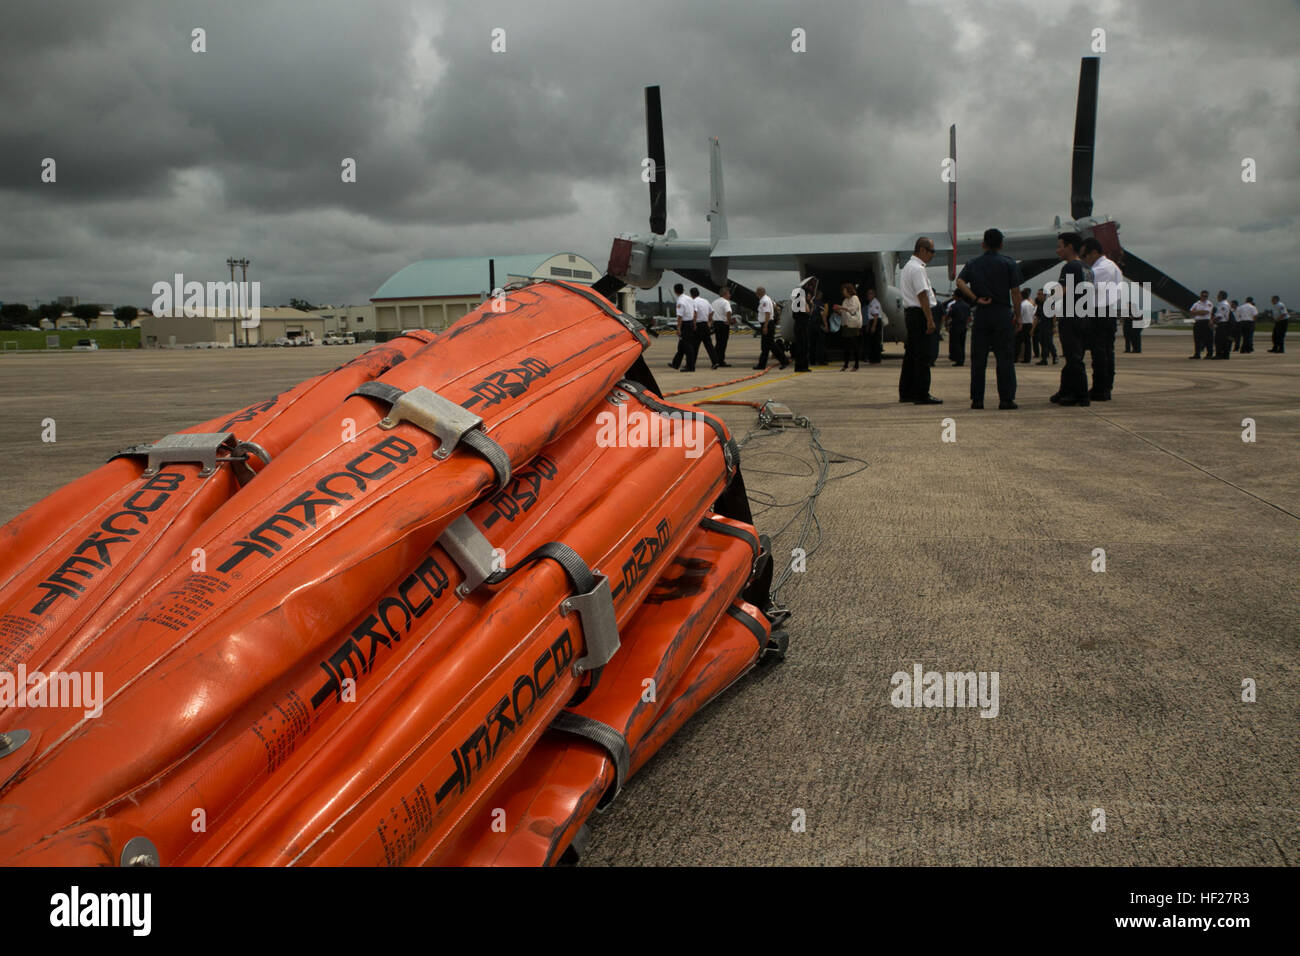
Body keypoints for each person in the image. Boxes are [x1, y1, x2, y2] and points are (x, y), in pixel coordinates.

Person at [955, 227, 1022, 409]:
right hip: (1002, 313)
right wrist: (1018, 316)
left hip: (982, 313)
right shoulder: (1009, 263)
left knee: (978, 359)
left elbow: (959, 282)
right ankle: (1006, 399)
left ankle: (977, 399)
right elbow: (1015, 292)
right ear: (1001, 244)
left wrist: (975, 298)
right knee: (1005, 359)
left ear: (983, 244)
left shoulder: (973, 263)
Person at [1049, 231, 1092, 406]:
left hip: (1071, 315)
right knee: (1073, 355)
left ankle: (1080, 395)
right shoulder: (1087, 268)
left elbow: (1062, 290)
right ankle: (1065, 390)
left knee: (1073, 357)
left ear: (1070, 247)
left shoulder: (1070, 267)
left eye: (1060, 246)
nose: (1057, 250)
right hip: (1084, 315)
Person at [898, 237, 941, 404]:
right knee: (923, 356)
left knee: (911, 355)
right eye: (931, 251)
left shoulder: (908, 267)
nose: (932, 255)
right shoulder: (917, 269)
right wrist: (930, 320)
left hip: (911, 313)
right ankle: (922, 393)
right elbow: (922, 295)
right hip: (919, 314)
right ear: (922, 250)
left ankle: (906, 392)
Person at [1081, 237, 1120, 400]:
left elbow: (1086, 288)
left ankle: (1101, 388)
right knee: (1105, 351)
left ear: (1094, 253)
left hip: (1100, 312)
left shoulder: (1102, 268)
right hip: (1106, 312)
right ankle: (1104, 386)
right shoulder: (1111, 266)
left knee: (1099, 353)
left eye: (1085, 256)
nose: (1084, 260)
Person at [753, 286, 789, 370]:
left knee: (771, 345)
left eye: (757, 292)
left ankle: (784, 361)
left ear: (759, 293)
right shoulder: (768, 299)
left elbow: (767, 314)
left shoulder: (764, 300)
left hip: (767, 324)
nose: (756, 294)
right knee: (765, 346)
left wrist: (765, 326)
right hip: (769, 323)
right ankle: (761, 364)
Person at [832, 283, 863, 370]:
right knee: (846, 345)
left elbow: (852, 310)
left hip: (853, 324)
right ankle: (846, 364)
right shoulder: (845, 300)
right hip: (846, 324)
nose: (843, 292)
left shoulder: (855, 298)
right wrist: (838, 310)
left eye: (844, 290)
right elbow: (843, 313)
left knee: (854, 344)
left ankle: (856, 364)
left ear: (848, 290)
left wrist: (841, 307)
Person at [790, 277, 816, 372]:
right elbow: (808, 312)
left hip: (798, 325)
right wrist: (810, 304)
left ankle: (799, 366)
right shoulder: (802, 300)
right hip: (802, 326)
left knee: (800, 346)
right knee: (804, 346)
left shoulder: (796, 301)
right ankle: (803, 366)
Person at [690, 287, 720, 369]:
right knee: (709, 345)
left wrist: (694, 324)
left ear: (691, 294)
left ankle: (691, 363)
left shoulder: (693, 302)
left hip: (698, 325)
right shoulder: (705, 301)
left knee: (695, 346)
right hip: (705, 325)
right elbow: (712, 311)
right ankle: (715, 362)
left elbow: (695, 313)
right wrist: (709, 321)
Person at [670, 282, 694, 370]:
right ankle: (675, 363)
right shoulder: (689, 298)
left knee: (687, 346)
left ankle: (690, 366)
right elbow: (695, 311)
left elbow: (680, 316)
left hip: (685, 324)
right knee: (681, 345)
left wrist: (678, 328)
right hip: (690, 322)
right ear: (683, 290)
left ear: (675, 291)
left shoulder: (680, 301)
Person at [710, 287, 734, 367]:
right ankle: (721, 361)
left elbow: (711, 312)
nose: (730, 295)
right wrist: (728, 321)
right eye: (728, 293)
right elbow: (729, 312)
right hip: (723, 324)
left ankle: (716, 360)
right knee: (723, 343)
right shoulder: (726, 302)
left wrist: (711, 321)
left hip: (716, 323)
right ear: (725, 294)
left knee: (718, 342)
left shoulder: (714, 302)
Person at [1033, 288, 1057, 365]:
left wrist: (1054, 326)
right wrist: (1032, 329)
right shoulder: (1039, 304)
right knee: (1042, 341)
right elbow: (1037, 317)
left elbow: (1054, 315)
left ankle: (1055, 356)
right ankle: (1044, 359)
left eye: (1039, 294)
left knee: (1049, 342)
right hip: (1042, 325)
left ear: (1044, 295)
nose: (1038, 296)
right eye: (1038, 294)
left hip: (1049, 325)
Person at [1188, 290, 1213, 359]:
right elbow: (1190, 312)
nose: (1204, 297)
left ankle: (1209, 354)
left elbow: (1205, 312)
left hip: (1205, 322)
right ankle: (1197, 354)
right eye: (1203, 296)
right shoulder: (1196, 303)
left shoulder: (1209, 303)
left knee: (1208, 339)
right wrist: (1199, 312)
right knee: (1197, 339)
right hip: (1198, 322)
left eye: (1206, 296)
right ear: (1200, 296)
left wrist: (1195, 312)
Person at [946, 295, 969, 366]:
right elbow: (969, 317)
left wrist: (946, 324)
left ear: (956, 296)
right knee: (962, 344)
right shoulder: (967, 306)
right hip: (963, 326)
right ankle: (962, 359)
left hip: (955, 326)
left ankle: (958, 360)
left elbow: (949, 315)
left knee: (956, 344)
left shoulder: (953, 306)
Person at [865, 288, 885, 364]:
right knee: (872, 341)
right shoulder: (871, 303)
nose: (868, 296)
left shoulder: (875, 303)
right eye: (868, 294)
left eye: (870, 294)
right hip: (872, 321)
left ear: (873, 295)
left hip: (876, 322)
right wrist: (868, 325)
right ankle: (872, 358)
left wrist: (873, 326)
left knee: (876, 341)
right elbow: (870, 316)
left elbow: (876, 315)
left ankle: (876, 359)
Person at [1016, 287, 1035, 363]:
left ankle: (1015, 357)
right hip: (1030, 323)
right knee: (1028, 343)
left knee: (1018, 341)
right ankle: (1027, 358)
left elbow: (1019, 315)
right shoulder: (1031, 304)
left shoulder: (1022, 305)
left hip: (1023, 324)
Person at [1211, 290, 1231, 360]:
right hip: (1222, 323)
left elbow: (1220, 315)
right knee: (1223, 340)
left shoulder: (1223, 304)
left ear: (1221, 296)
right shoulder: (1222, 304)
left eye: (1218, 295)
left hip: (1222, 324)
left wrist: (1212, 321)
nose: (1217, 297)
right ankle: (1225, 354)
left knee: (1219, 340)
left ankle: (1219, 354)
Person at [811, 288, 829, 365]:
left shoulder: (811, 304)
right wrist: (826, 325)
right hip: (819, 325)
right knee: (820, 343)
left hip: (811, 325)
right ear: (820, 296)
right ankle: (821, 360)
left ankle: (812, 360)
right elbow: (823, 315)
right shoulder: (821, 304)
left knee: (812, 344)